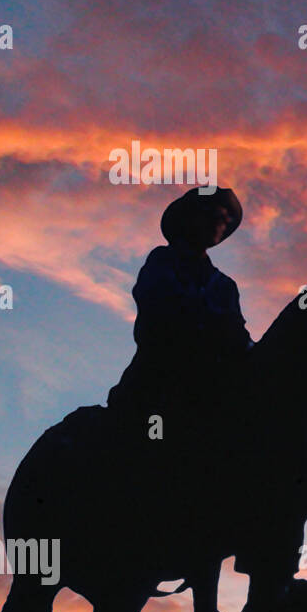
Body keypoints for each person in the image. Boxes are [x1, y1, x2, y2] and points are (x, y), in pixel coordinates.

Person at [107, 187, 251, 445]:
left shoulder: (225, 286)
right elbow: (159, 314)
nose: (221, 224)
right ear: (193, 217)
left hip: (210, 383)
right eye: (216, 215)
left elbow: (238, 334)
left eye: (226, 221)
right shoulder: (162, 260)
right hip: (159, 379)